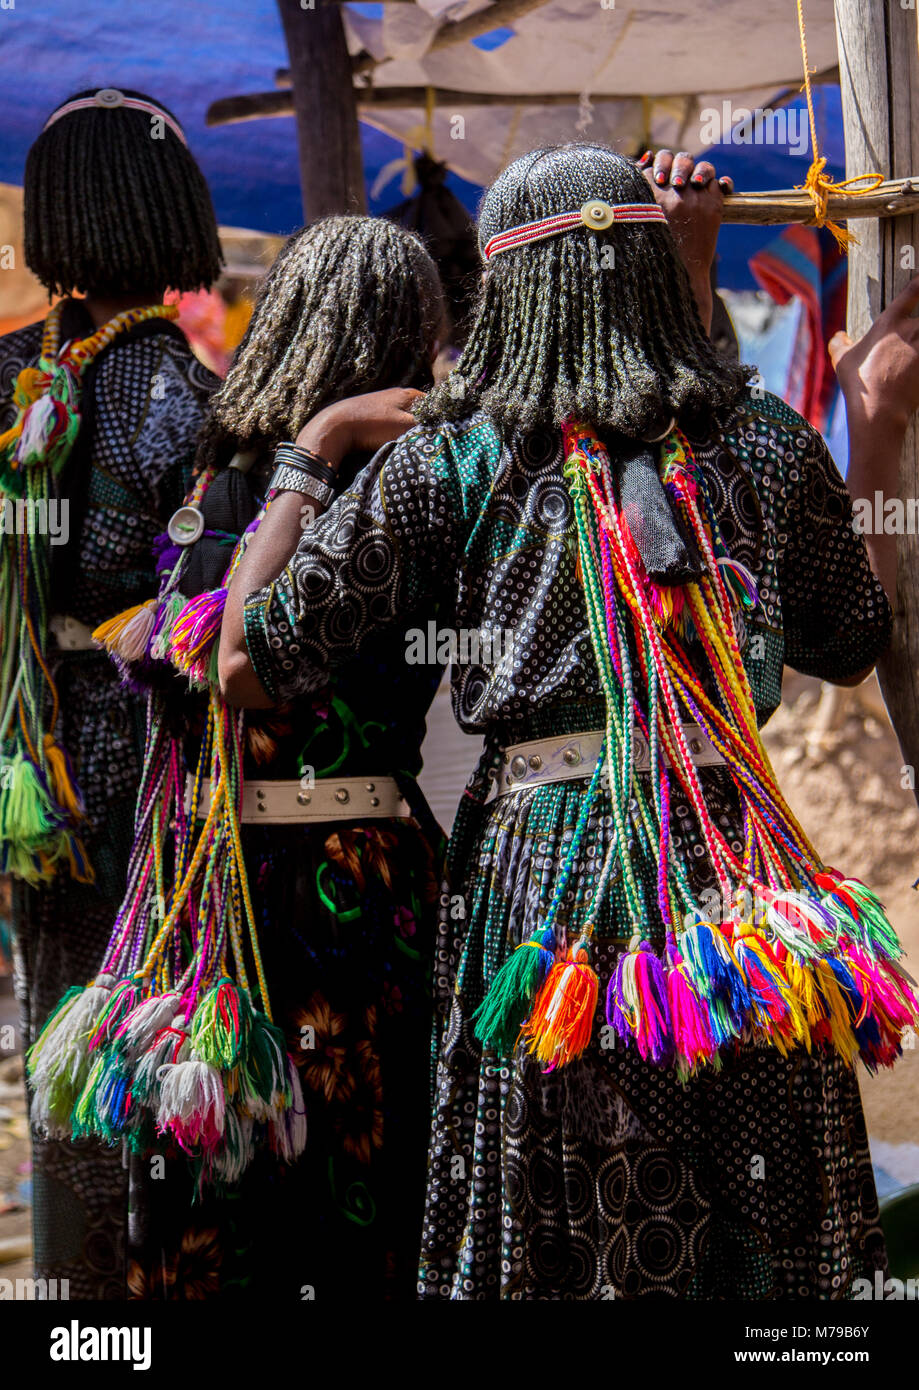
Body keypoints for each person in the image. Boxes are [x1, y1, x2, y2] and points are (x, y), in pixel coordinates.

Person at [220, 141, 919, 1301]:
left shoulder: (447, 462)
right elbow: (853, 639)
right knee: (759, 1194)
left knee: (576, 1197)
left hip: (546, 892)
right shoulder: (759, 444)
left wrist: (310, 450)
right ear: (651, 271)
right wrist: (876, 427)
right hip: (733, 883)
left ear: (505, 292)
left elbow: (248, 660)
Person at [124, 216, 448, 1301]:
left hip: (207, 886)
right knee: (354, 1172)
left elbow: (150, 645)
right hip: (351, 880)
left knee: (220, 1167)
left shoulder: (205, 467)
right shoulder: (411, 479)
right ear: (409, 335)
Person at [0, 87, 222, 1298]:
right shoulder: (172, 395)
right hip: (149, 757)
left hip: (36, 769)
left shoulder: (7, 379)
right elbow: (204, 607)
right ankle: (148, 1296)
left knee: (62, 1031)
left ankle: (73, 1311)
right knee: (159, 1028)